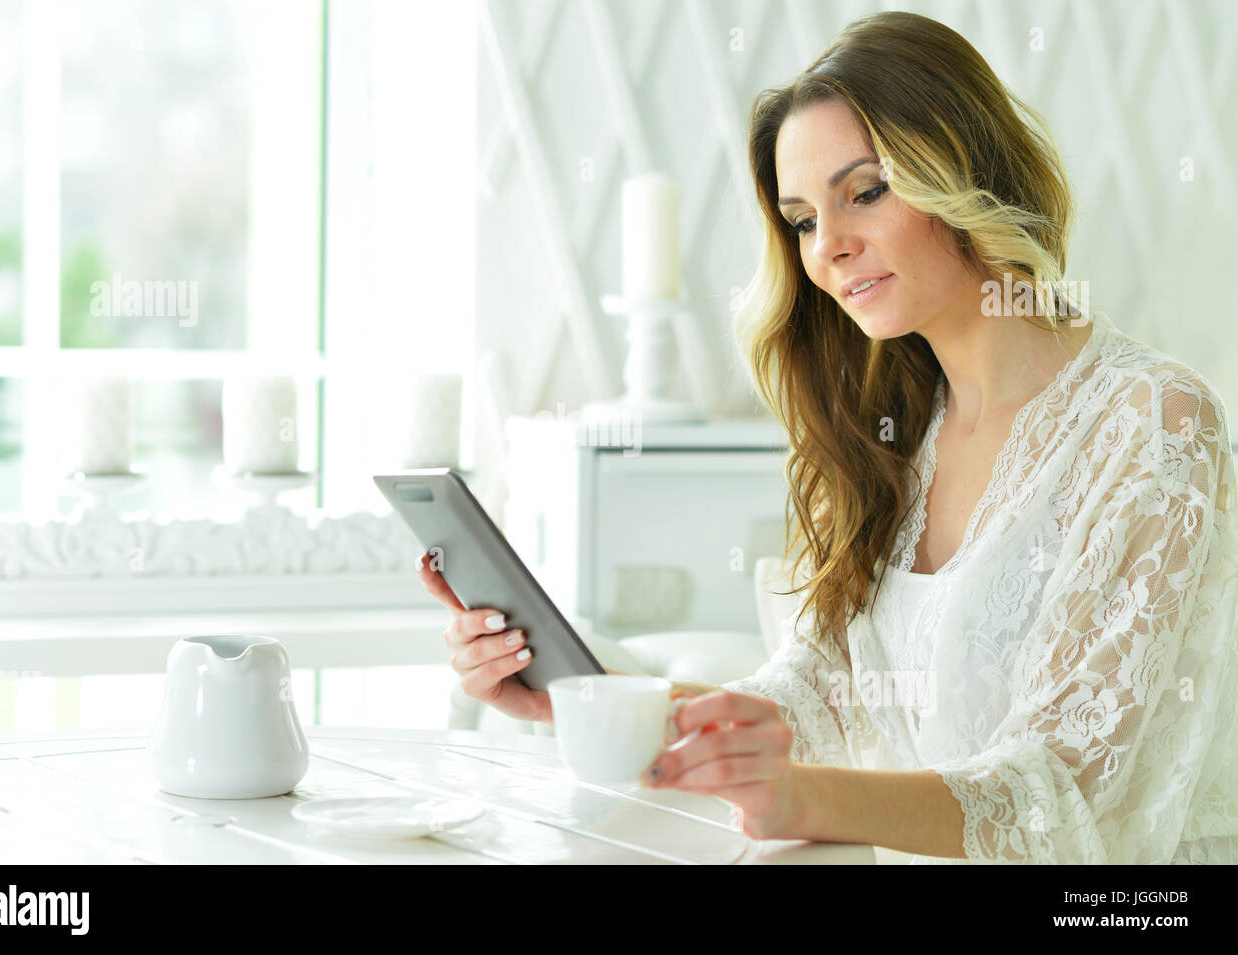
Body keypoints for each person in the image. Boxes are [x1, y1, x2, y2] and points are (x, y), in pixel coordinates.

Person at [420, 10, 1238, 863]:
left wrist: (800, 797)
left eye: (866, 192)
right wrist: (573, 694)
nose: (830, 249)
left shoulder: (1153, 422)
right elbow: (810, 702)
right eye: (803, 218)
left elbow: (1062, 792)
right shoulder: (897, 435)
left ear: (962, 168)